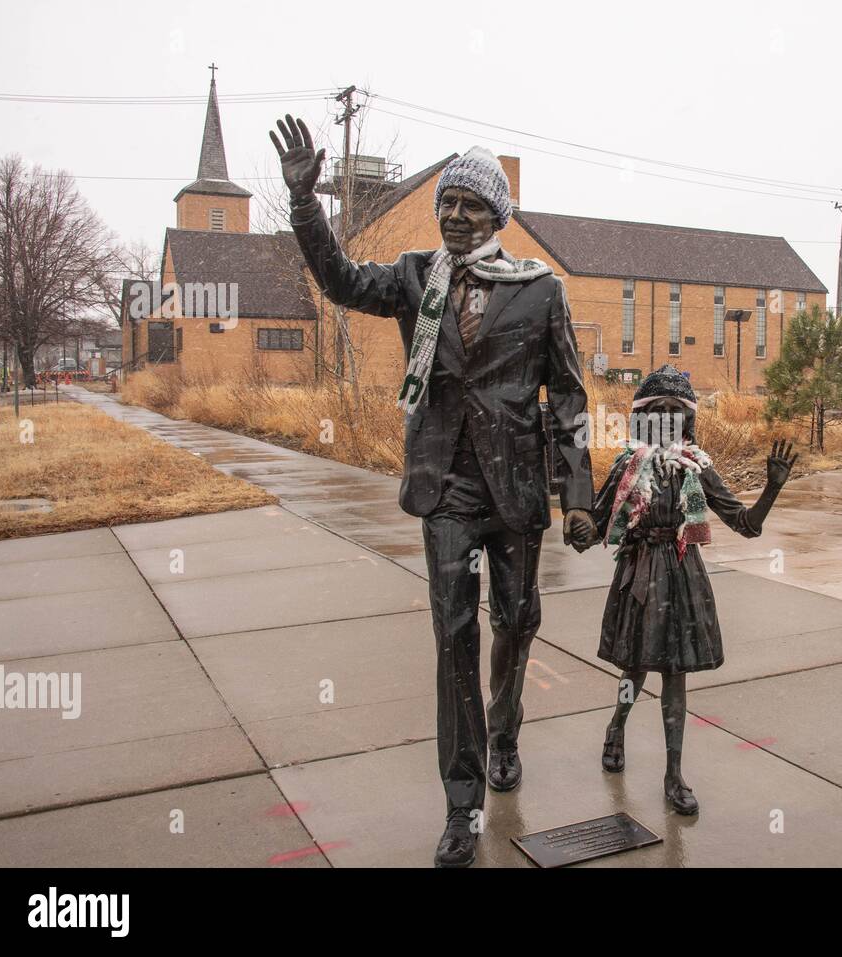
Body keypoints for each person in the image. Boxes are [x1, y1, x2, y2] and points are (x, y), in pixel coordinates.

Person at [271, 116, 599, 868]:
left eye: (468, 205)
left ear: (497, 216)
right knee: (454, 637)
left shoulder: (541, 291)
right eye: (445, 202)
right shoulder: (415, 276)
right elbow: (340, 280)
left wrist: (576, 492)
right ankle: (463, 802)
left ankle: (507, 721)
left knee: (516, 622)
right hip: (444, 485)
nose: (452, 215)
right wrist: (302, 205)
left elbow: (571, 398)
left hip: (515, 491)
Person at [590, 365, 796, 814]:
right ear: (643, 419)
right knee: (635, 670)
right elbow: (592, 525)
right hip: (639, 573)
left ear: (687, 420)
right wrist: (571, 509)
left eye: (676, 411)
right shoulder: (628, 465)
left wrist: (772, 490)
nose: (667, 419)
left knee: (675, 677)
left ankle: (673, 773)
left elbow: (746, 526)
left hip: (682, 576)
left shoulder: (697, 468)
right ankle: (616, 727)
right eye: (657, 411)